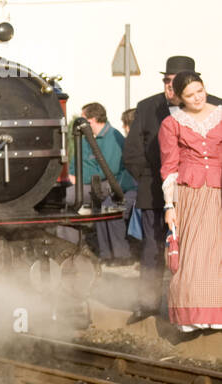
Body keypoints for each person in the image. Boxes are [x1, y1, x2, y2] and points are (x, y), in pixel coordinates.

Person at [123, 55, 219, 321]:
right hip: (155, 188)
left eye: (175, 80)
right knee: (153, 250)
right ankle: (148, 304)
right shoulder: (147, 107)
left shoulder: (215, 107)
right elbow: (132, 153)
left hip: (201, 190)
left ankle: (201, 307)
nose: (169, 84)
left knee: (200, 251)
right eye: (167, 79)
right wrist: (152, 179)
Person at [159, 72, 222, 331]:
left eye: (200, 90)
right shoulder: (171, 123)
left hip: (217, 191)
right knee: (193, 255)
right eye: (190, 95)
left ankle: (216, 313)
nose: (197, 97)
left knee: (216, 253)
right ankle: (193, 316)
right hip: (189, 193)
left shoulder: (220, 115)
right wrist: (169, 206)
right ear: (180, 98)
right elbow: (169, 166)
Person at [70, 101, 135, 263]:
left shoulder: (112, 137)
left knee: (105, 205)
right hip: (82, 183)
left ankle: (119, 254)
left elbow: (109, 170)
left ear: (92, 120)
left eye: (83, 119)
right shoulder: (86, 139)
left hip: (105, 184)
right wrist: (71, 175)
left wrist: (79, 179)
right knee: (61, 204)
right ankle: (70, 249)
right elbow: (73, 163)